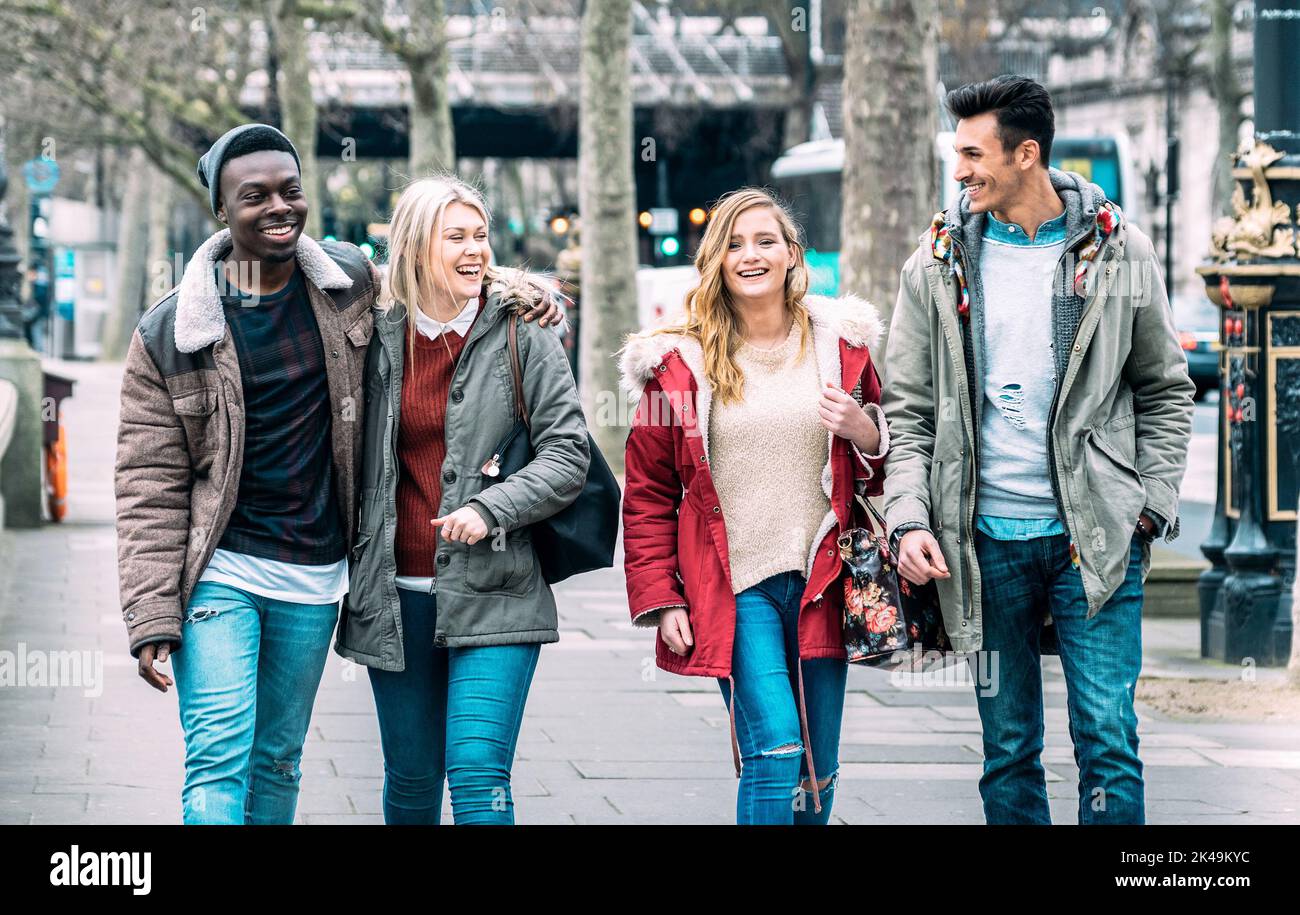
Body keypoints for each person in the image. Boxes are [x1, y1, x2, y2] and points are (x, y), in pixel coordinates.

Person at [114, 126, 558, 825]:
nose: (278, 206)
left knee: (279, 758)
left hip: (313, 579)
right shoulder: (169, 333)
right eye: (253, 195)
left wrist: (520, 290)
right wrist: (150, 615)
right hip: (220, 571)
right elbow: (147, 485)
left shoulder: (347, 287)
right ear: (221, 210)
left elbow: (437, 272)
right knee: (219, 755)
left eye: (291, 190)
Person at [881, 76, 1195, 825]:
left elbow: (1165, 388)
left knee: (1108, 742)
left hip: (1097, 542)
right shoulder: (935, 263)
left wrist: (1147, 509)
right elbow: (910, 410)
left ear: (1027, 154)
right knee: (1009, 750)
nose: (960, 171)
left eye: (972, 153)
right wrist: (909, 518)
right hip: (984, 545)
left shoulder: (1120, 253)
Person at [620, 187, 889, 825]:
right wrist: (661, 599)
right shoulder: (678, 366)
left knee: (817, 773)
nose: (751, 255)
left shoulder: (841, 347)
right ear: (714, 262)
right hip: (734, 585)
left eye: (766, 241)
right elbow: (649, 493)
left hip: (827, 579)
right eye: (733, 244)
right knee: (773, 752)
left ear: (793, 254)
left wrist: (864, 431)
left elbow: (885, 464)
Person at [334, 176, 590, 825]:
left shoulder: (522, 333)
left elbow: (568, 453)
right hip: (393, 600)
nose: (475, 249)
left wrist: (491, 507)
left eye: (481, 235)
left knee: (477, 773)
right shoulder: (373, 336)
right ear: (418, 245)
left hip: (498, 592)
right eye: (458, 236)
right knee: (413, 783)